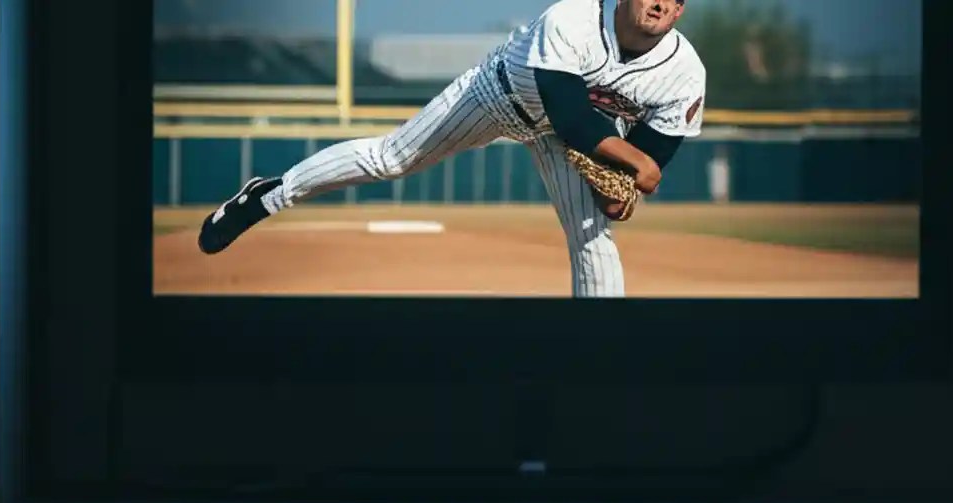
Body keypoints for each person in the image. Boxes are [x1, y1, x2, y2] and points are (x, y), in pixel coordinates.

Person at [197, 0, 707, 298]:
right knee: (390, 159)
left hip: (562, 134)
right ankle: (268, 195)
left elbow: (651, 153)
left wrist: (619, 194)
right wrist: (634, 160)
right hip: (498, 93)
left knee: (594, 237)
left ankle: (605, 358)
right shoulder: (573, 18)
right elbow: (571, 113)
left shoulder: (684, 75)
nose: (660, 4)